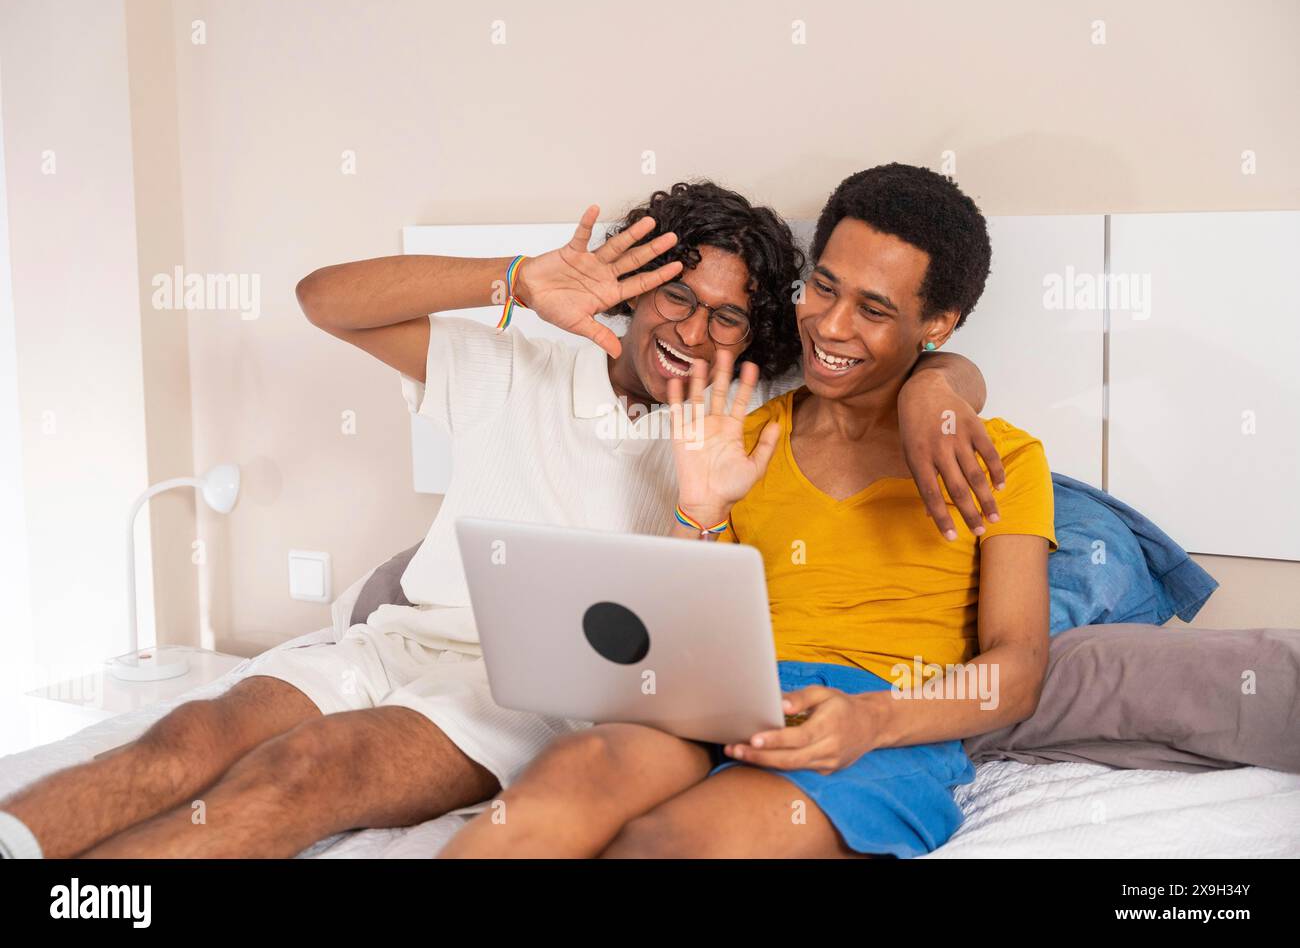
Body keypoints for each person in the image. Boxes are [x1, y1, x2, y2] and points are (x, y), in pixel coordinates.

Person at [0, 179, 996, 859]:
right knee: (185, 737)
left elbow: (906, 361)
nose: (692, 331)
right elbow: (323, 301)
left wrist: (938, 387)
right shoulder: (516, 363)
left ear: (758, 336)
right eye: (674, 296)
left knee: (299, 770)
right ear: (630, 286)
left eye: (727, 317)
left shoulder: (743, 431)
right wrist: (513, 279)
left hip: (527, 694)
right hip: (391, 640)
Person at [439, 164, 1056, 859]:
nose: (831, 324)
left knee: (664, 845)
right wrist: (698, 511)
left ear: (938, 324)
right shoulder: (742, 437)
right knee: (561, 787)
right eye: (824, 286)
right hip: (721, 700)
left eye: (875, 309)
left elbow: (1020, 668)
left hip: (879, 725)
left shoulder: (999, 458)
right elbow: (675, 639)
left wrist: (874, 719)